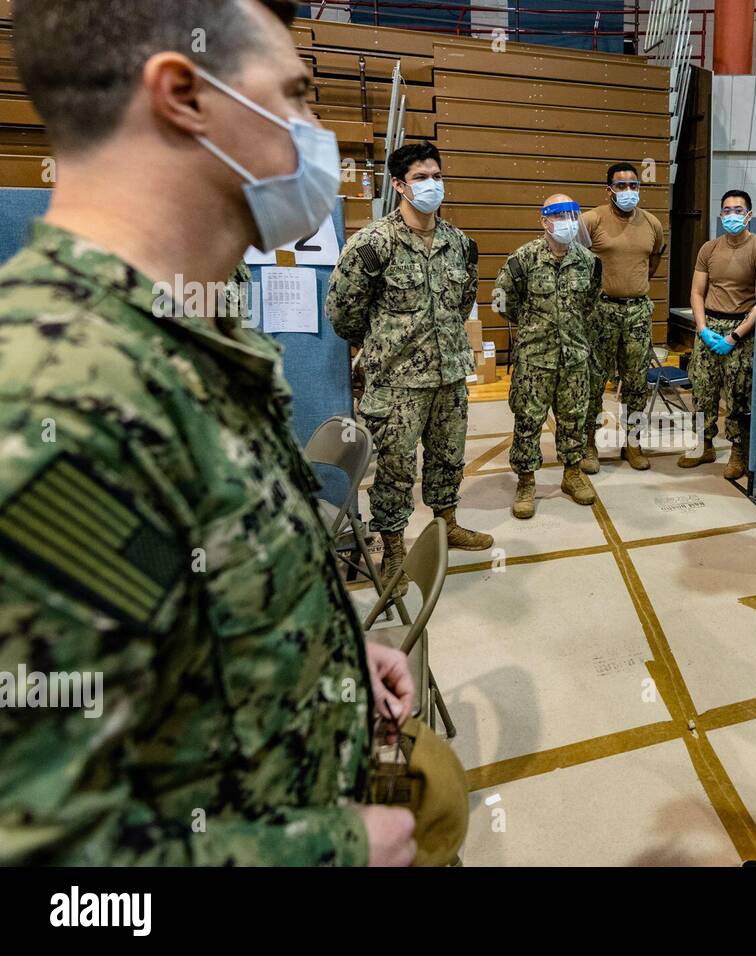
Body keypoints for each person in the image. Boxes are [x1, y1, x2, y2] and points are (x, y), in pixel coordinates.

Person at [0, 0, 416, 866]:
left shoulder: (190, 339)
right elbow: (55, 866)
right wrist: (334, 853)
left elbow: (192, 607)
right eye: (294, 95)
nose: (312, 130)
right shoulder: (61, 407)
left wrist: (329, 646)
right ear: (184, 94)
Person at [327, 142, 493, 597]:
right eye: (421, 178)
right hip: (397, 382)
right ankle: (394, 549)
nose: (432, 185)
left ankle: (447, 525)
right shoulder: (372, 244)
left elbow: (462, 304)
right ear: (399, 185)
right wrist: (386, 345)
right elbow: (342, 312)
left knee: (447, 459)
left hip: (449, 376)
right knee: (396, 471)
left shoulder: (460, 244)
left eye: (436, 175)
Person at [494, 195, 602, 518]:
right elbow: (501, 302)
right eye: (559, 214)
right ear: (544, 221)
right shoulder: (523, 259)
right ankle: (526, 482)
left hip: (574, 358)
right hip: (534, 360)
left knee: (574, 418)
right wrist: (532, 327)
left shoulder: (589, 262)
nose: (568, 220)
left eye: (572, 213)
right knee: (528, 421)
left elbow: (591, 304)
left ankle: (572, 473)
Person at [580, 162, 666, 472]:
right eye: (621, 185)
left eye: (634, 186)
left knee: (636, 382)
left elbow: (655, 257)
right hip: (601, 312)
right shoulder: (590, 221)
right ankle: (588, 443)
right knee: (593, 381)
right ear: (609, 190)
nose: (629, 191)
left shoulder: (652, 223)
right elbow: (574, 261)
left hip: (638, 312)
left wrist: (634, 285)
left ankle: (632, 443)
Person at [678, 190, 756, 479]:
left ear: (749, 215)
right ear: (720, 214)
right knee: (702, 392)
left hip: (741, 331)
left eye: (738, 210)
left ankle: (738, 452)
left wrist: (735, 336)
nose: (732, 215)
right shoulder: (709, 249)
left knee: (738, 395)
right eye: (727, 210)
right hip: (709, 327)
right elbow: (697, 292)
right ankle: (704, 445)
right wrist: (702, 329)